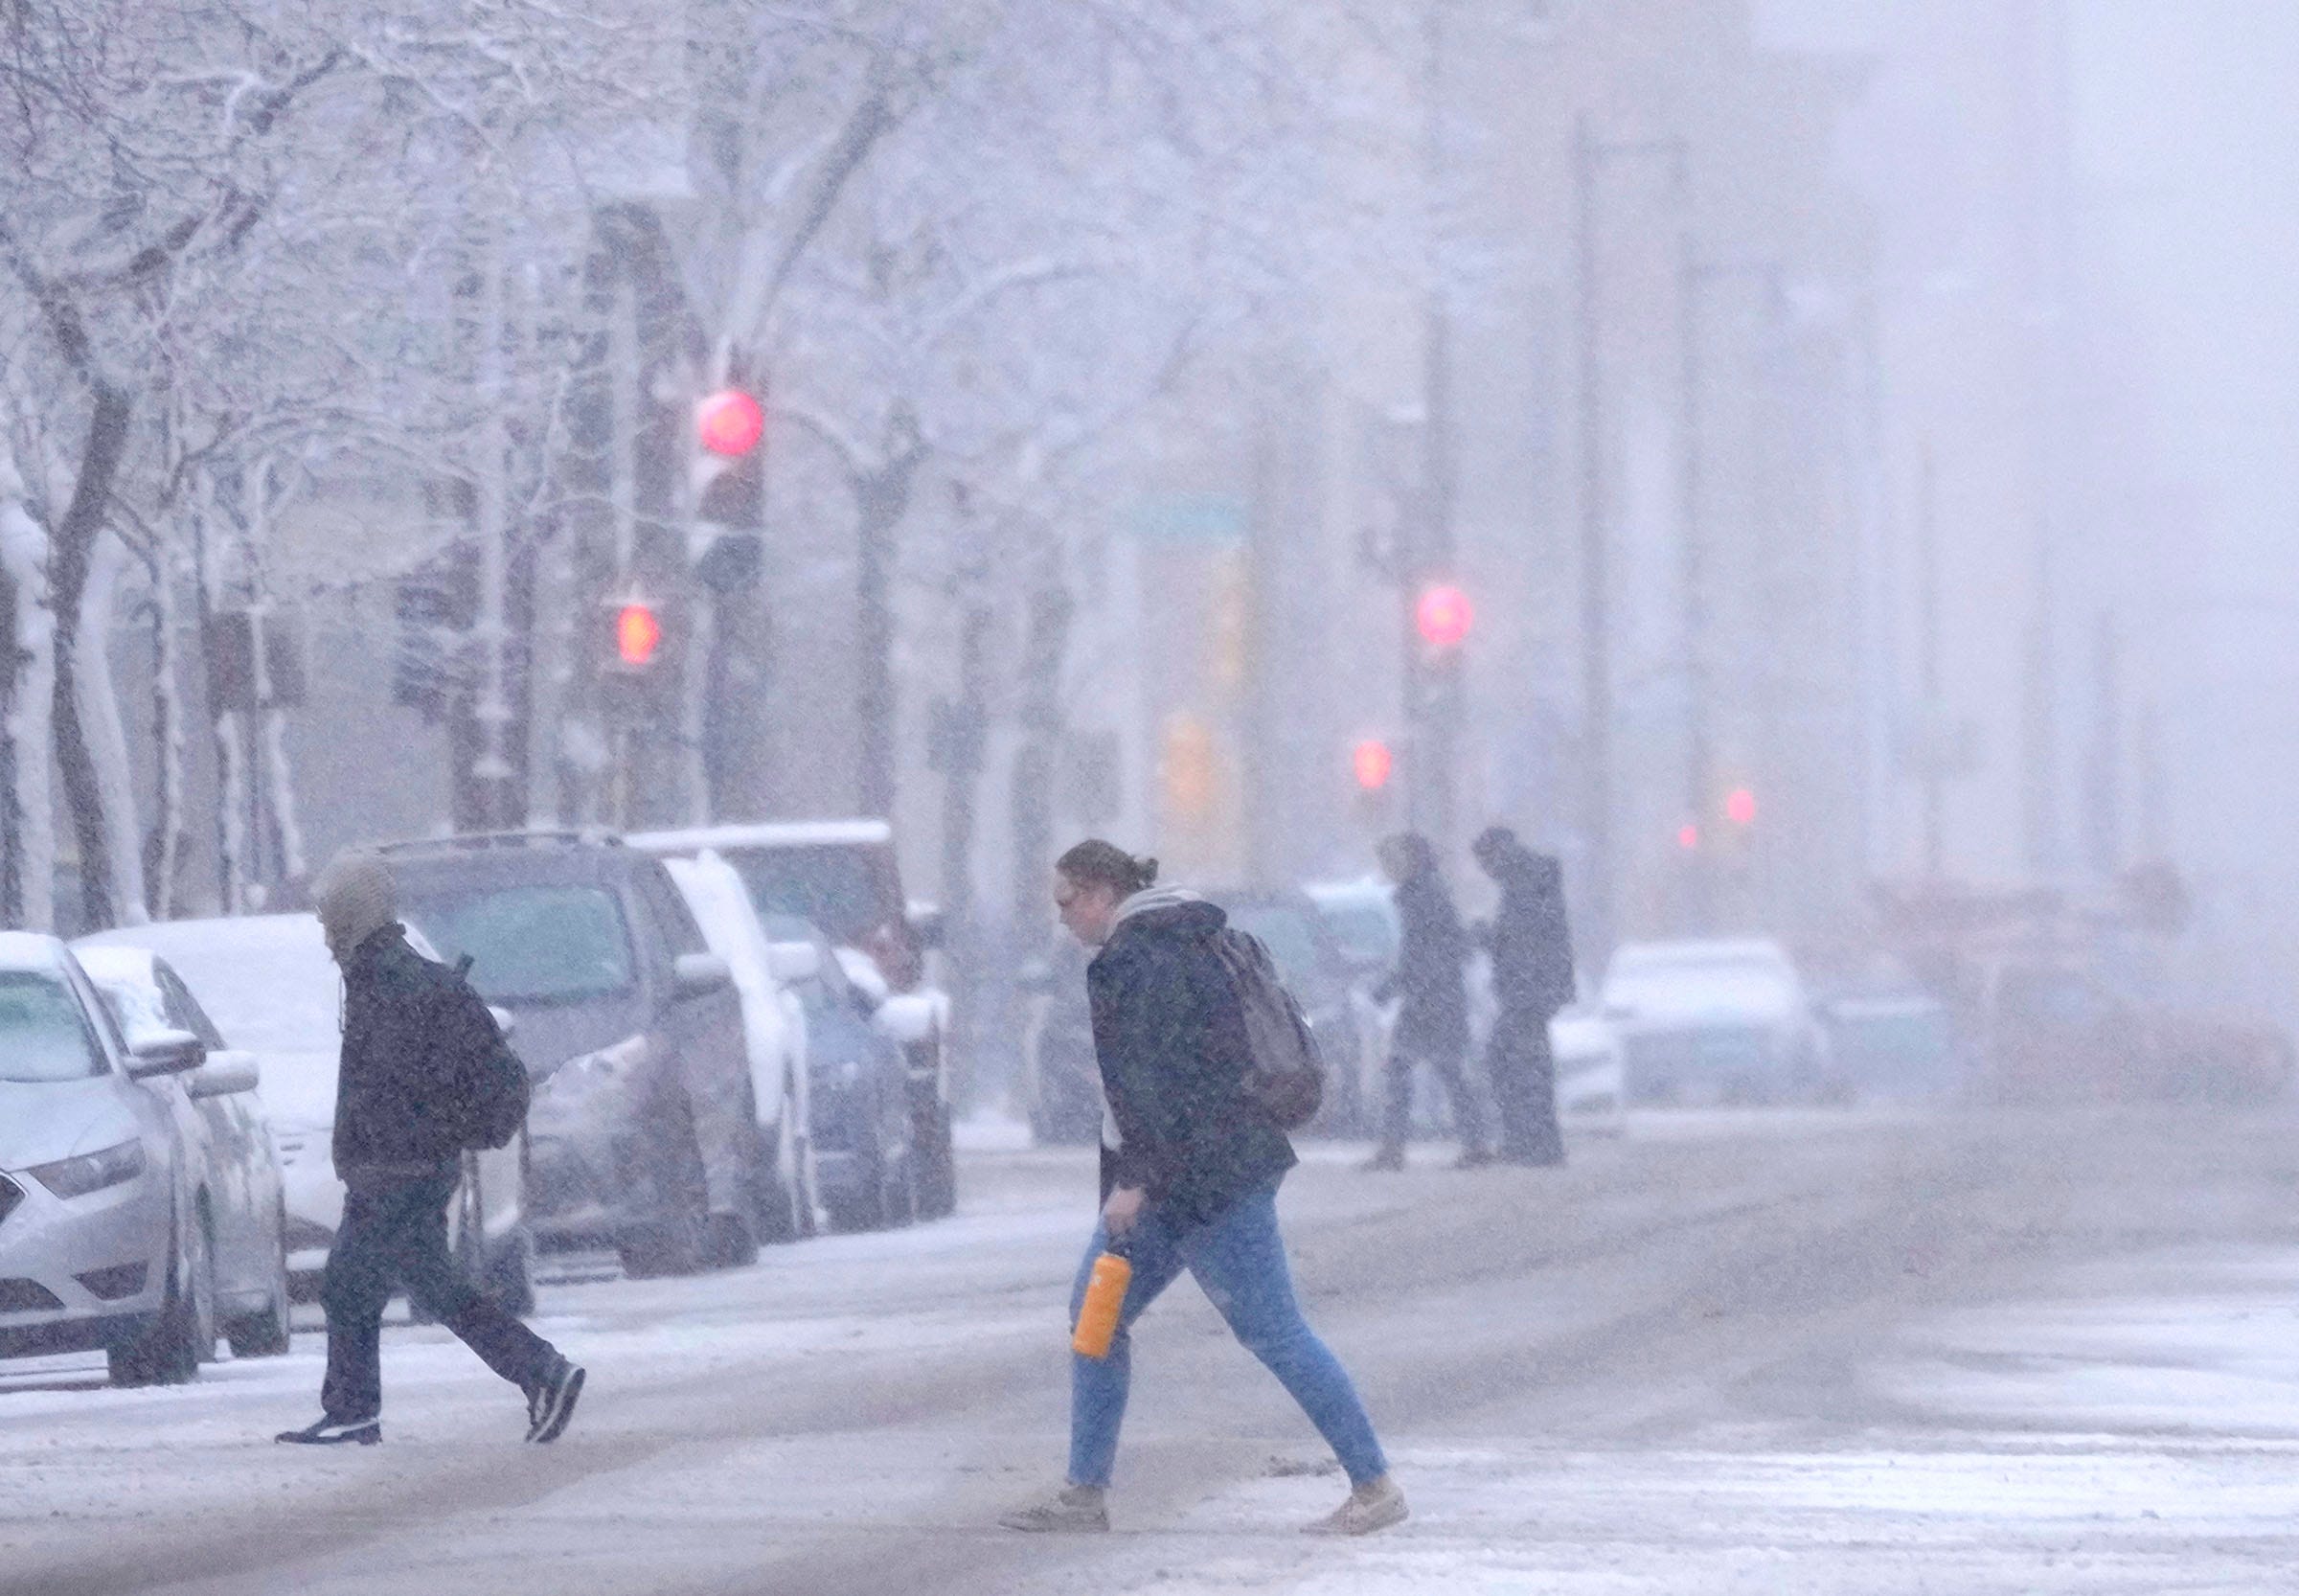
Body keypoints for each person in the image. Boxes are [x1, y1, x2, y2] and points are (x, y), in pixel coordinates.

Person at [1000, 841, 1405, 1538]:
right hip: (1188, 1173)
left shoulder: (1141, 959)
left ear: (1100, 893)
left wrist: (1136, 1181)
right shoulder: (1186, 937)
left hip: (1208, 1181)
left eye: (1066, 901)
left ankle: (1373, 1484)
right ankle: (1083, 1493)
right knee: (1095, 1318)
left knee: (1274, 1331)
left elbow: (1163, 1087)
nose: (1062, 918)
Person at [275, 851, 584, 1448]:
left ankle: (356, 1408)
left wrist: (376, 1151)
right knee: (422, 1285)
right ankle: (540, 1372)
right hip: (408, 1163)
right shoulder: (381, 973)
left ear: (351, 916)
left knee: (350, 1283)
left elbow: (389, 1085)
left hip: (400, 1167)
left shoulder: (390, 981)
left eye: (328, 918)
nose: (323, 934)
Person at [1367, 832, 1487, 1171]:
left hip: (1430, 1000)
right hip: (1436, 997)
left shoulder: (1423, 896)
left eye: (1393, 860)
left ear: (1413, 860)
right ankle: (1472, 1144)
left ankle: (1394, 1150)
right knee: (1443, 1070)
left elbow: (1425, 954)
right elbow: (1437, 950)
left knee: (1407, 1070)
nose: (1388, 868)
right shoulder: (1425, 893)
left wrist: (1394, 986)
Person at [1471, 826, 1575, 1167]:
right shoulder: (1530, 877)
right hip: (1532, 990)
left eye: (1486, 864)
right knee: (1525, 1066)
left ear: (1498, 852)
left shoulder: (1524, 880)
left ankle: (1531, 1143)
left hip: (1527, 992)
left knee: (1513, 1064)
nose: (1487, 874)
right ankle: (1536, 1142)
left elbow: (1523, 938)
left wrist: (1489, 937)